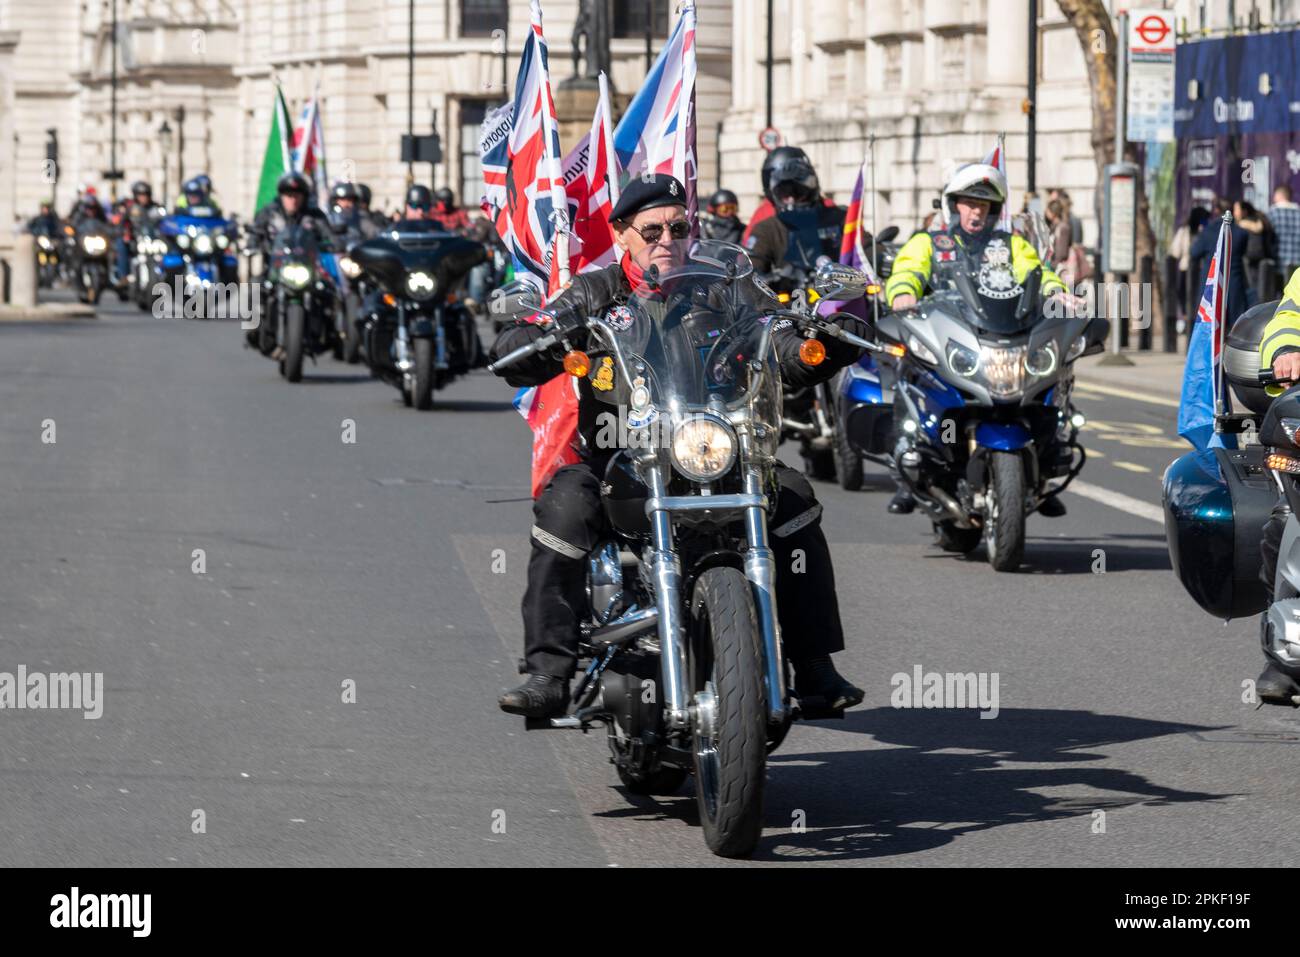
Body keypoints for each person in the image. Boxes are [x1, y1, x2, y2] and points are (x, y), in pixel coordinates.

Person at [488, 173, 868, 719]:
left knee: (794, 500)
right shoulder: (596, 291)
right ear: (622, 234)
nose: (666, 239)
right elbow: (540, 328)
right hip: (623, 454)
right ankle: (548, 670)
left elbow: (772, 331)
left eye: (678, 226)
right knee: (565, 505)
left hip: (714, 445)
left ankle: (812, 665)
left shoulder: (723, 287)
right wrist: (532, 340)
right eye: (651, 230)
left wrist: (813, 347)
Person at [885, 163, 1070, 516]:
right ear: (954, 204)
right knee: (907, 382)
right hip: (947, 340)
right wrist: (904, 292)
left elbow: (1037, 273)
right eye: (970, 203)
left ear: (994, 211)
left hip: (999, 338)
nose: (976, 211)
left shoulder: (1010, 245)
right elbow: (907, 270)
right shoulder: (930, 242)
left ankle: (1043, 472)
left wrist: (1057, 293)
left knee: (1050, 388)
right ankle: (906, 473)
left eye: (983, 206)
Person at [742, 149, 845, 281]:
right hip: (789, 297)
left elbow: (863, 245)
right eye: (784, 193)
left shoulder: (837, 218)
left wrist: (878, 257)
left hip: (840, 294)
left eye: (798, 191)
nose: (791, 200)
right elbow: (751, 263)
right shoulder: (766, 226)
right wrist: (769, 279)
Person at [741, 146, 841, 246]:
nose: (791, 199)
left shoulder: (828, 209)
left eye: (798, 189)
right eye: (784, 189)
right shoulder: (764, 213)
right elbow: (750, 253)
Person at [1190, 197, 1249, 330]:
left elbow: (1194, 252)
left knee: (1207, 327)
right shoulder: (1241, 233)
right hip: (1234, 285)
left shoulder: (1207, 231)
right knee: (1236, 328)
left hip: (1211, 285)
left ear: (1216, 210)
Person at [1269, 184, 1300, 292]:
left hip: (1279, 261)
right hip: (1297, 261)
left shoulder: (1273, 212)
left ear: (1279, 195)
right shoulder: (1298, 212)